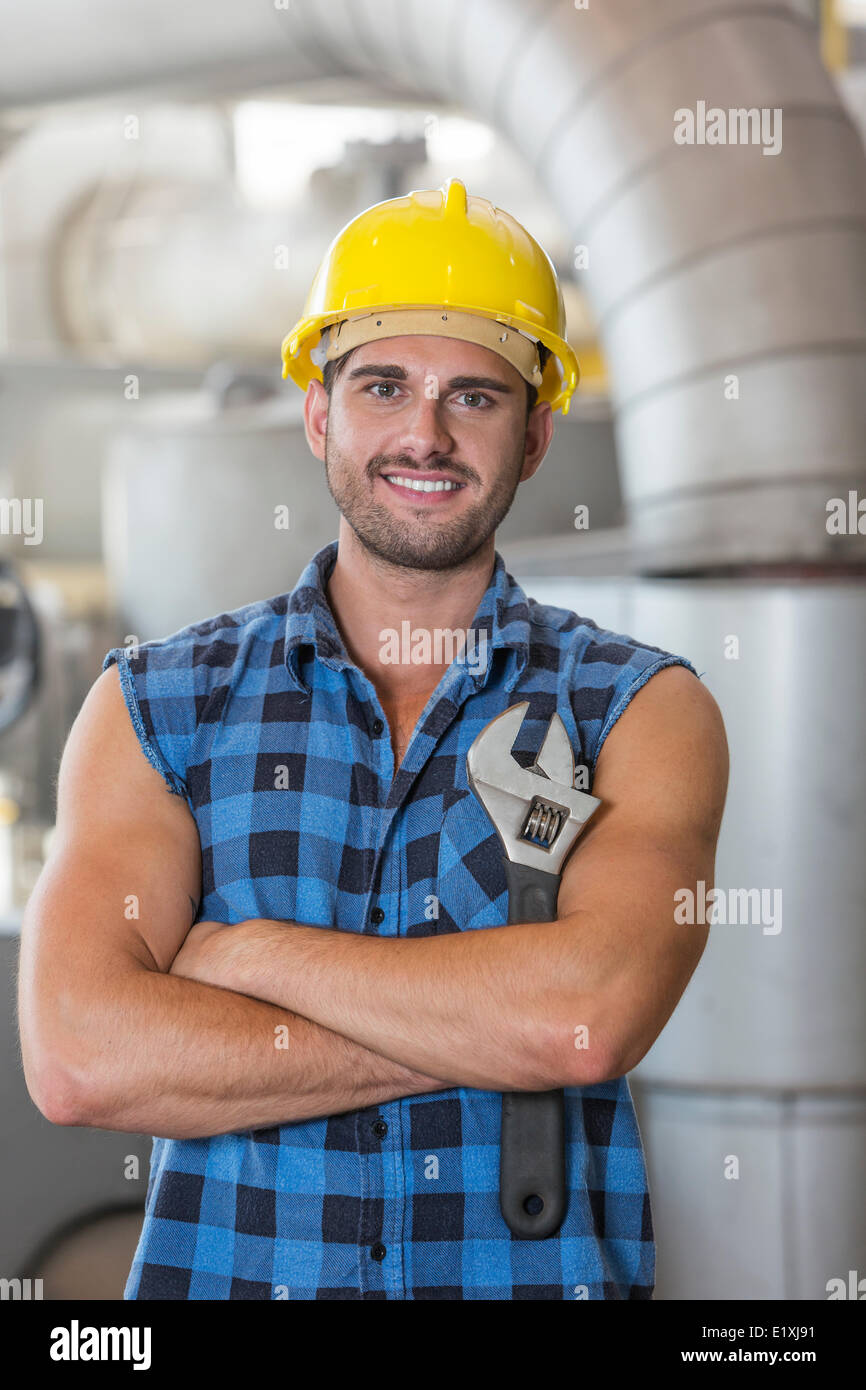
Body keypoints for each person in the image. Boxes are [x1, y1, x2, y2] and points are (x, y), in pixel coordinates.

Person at [18, 177, 728, 1300]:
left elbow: (585, 1023)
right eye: (383, 386)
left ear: (536, 434)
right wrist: (492, 1025)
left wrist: (244, 960)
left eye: (476, 398)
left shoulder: (637, 708)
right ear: (319, 414)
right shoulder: (159, 705)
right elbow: (78, 1054)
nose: (425, 434)